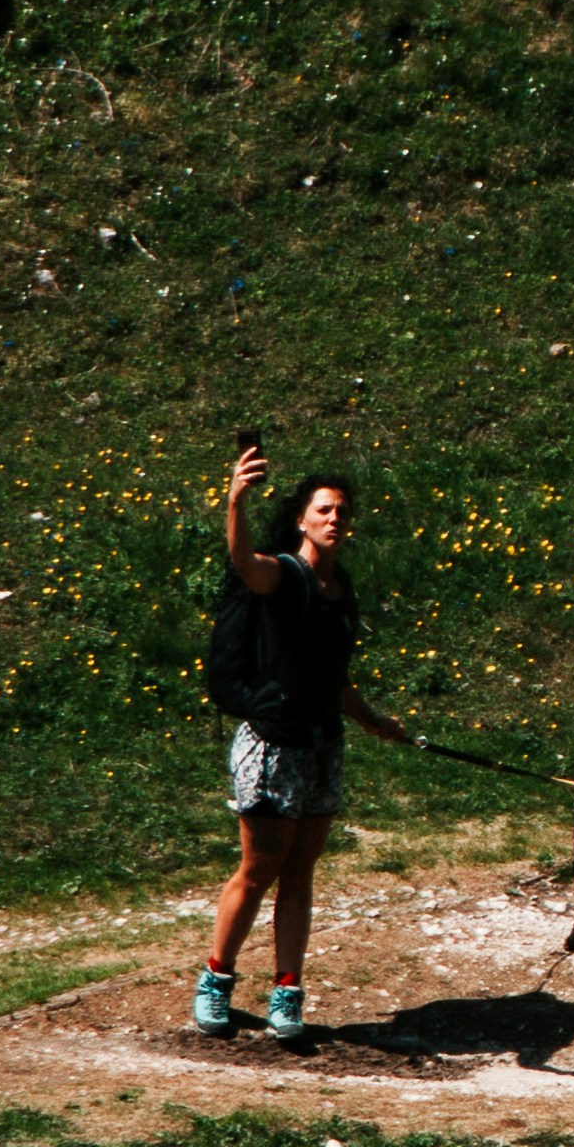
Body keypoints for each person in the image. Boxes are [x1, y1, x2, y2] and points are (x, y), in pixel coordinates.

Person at [193, 446, 409, 1043]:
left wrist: (373, 720)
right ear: (301, 520)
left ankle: (287, 993)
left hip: (321, 746)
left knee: (300, 870)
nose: (335, 518)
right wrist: (236, 501)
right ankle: (216, 979)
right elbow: (245, 564)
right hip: (273, 746)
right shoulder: (285, 575)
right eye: (324, 510)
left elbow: (334, 677)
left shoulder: (341, 589)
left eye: (342, 511)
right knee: (259, 867)